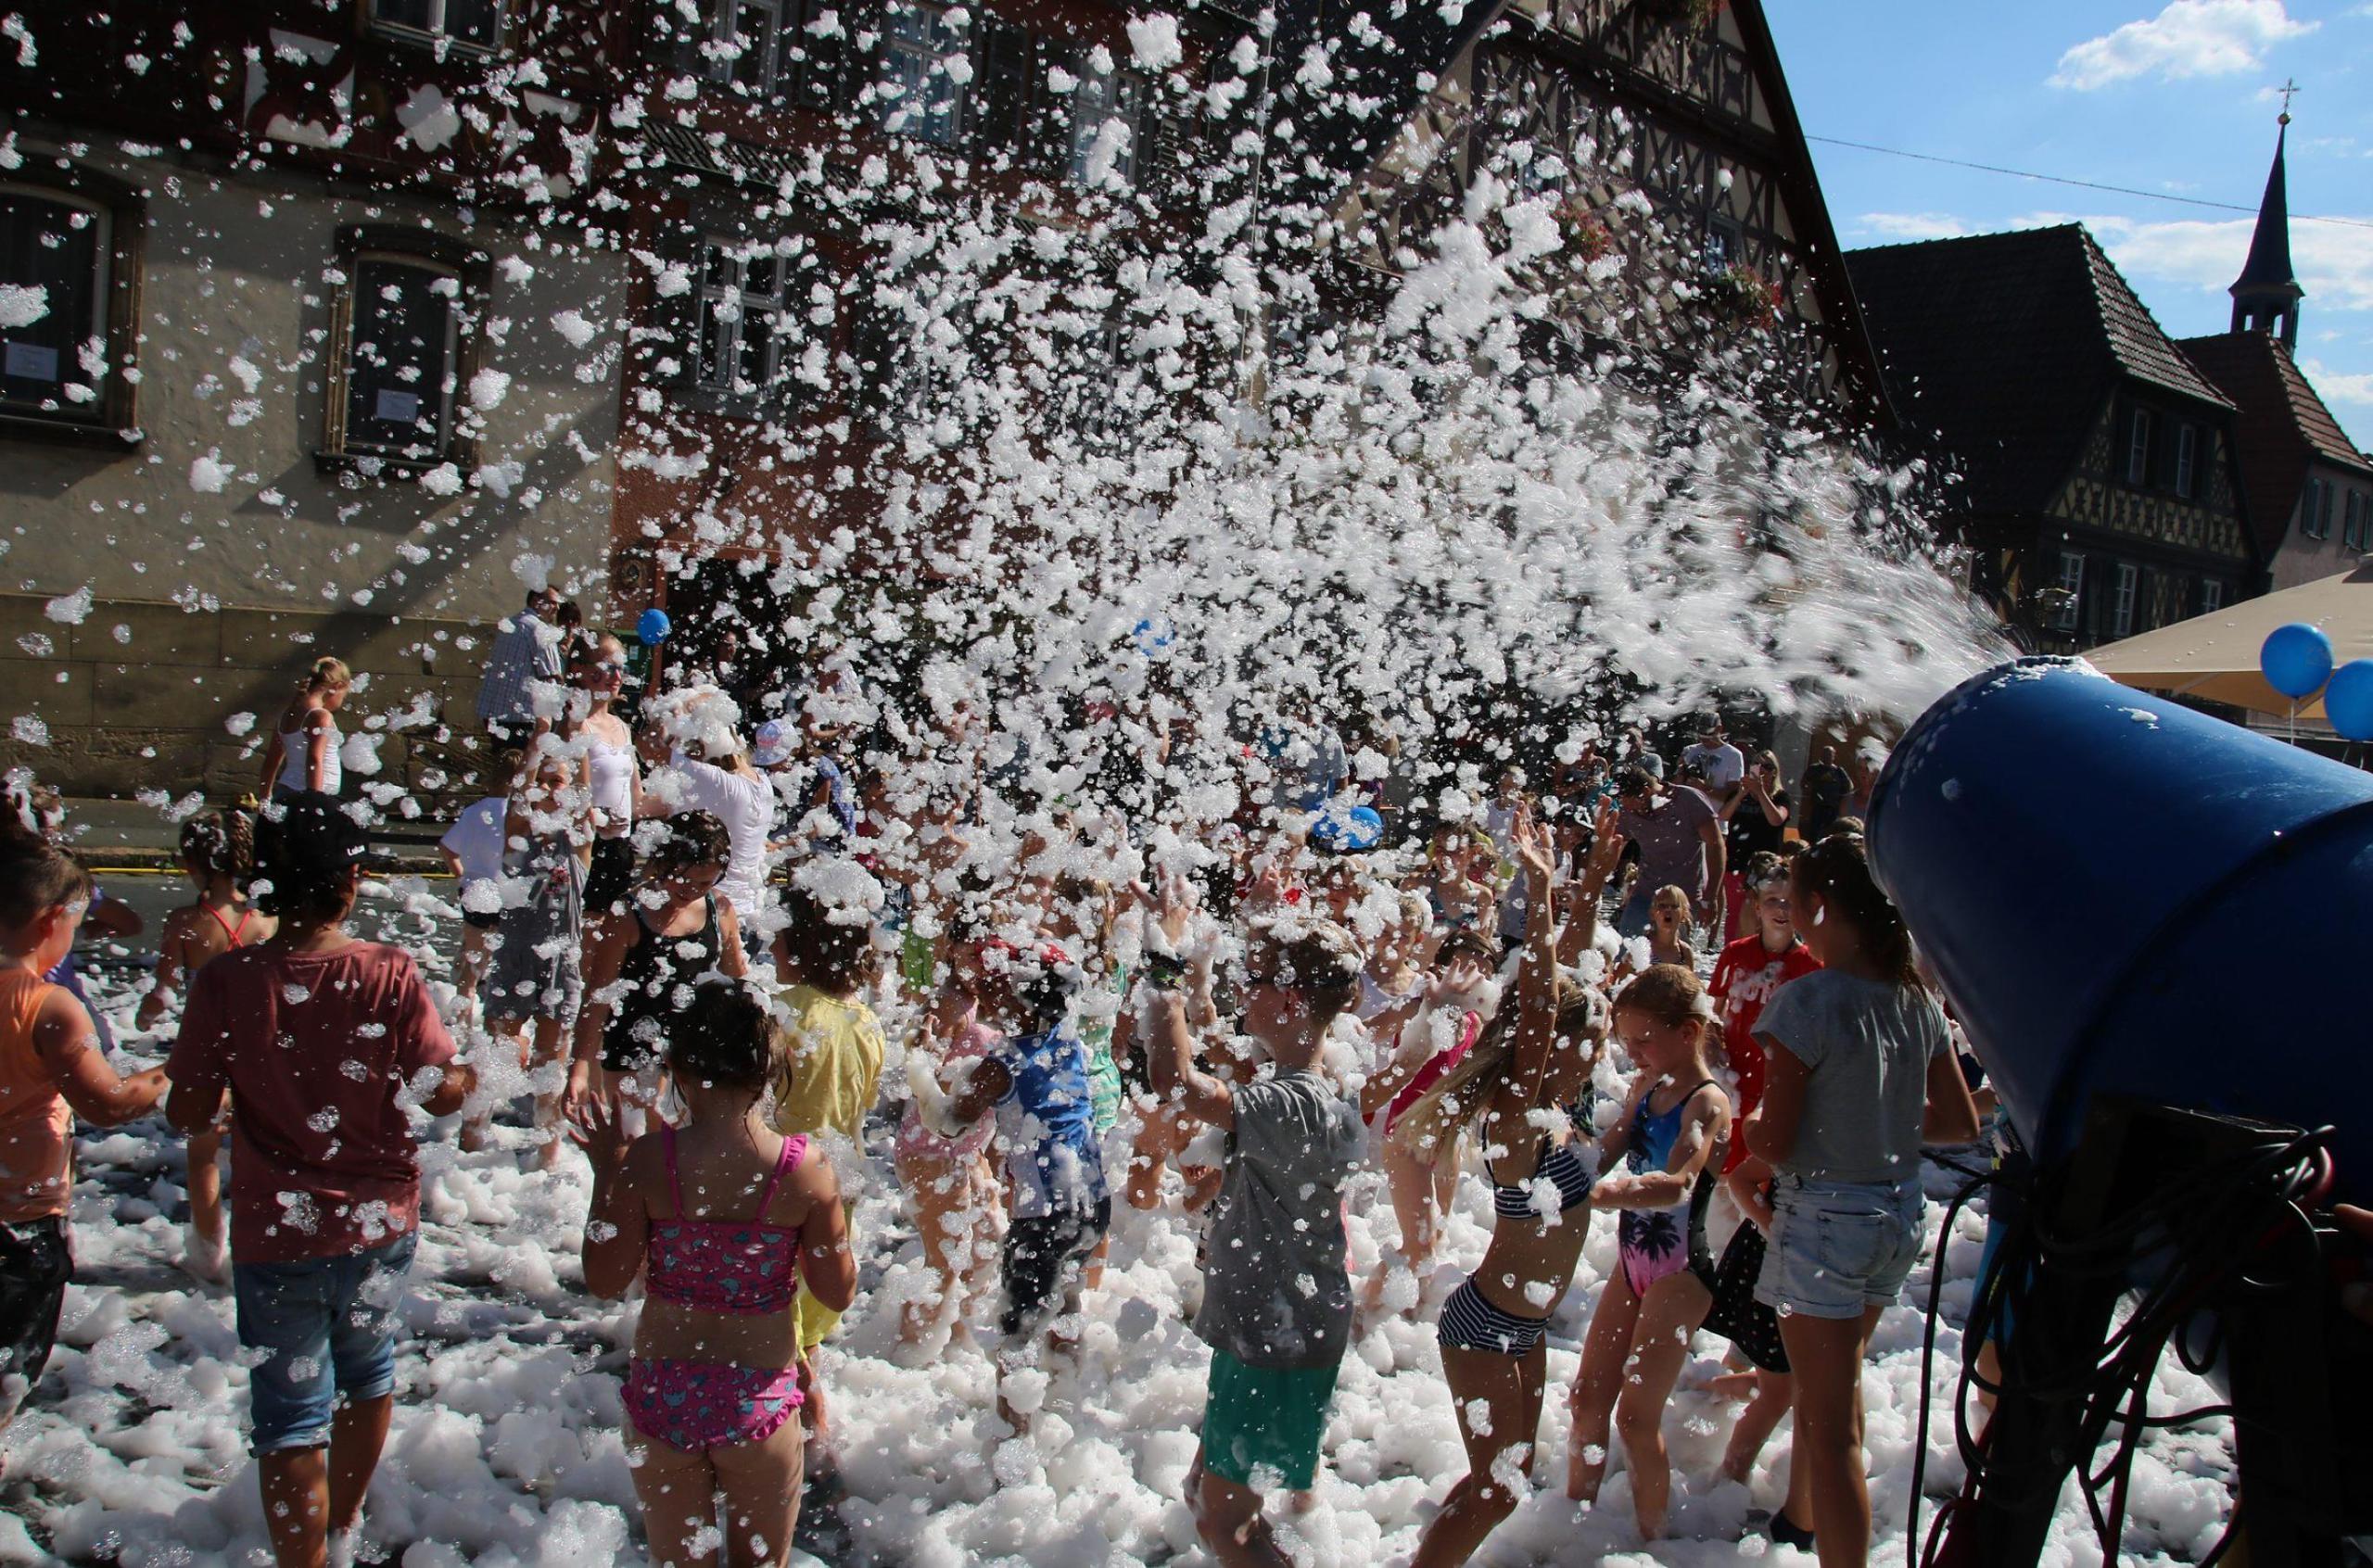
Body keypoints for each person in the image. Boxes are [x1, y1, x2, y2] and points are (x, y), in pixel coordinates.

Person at [165, 794, 476, 1568]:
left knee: (288, 1412)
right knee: (367, 1374)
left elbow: (189, 1111)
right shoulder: (388, 972)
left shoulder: (227, 982)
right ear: (353, 882)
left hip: (277, 1231)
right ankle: (342, 1524)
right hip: (377, 1224)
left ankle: (303, 1558)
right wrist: (477, 1074)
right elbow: (438, 1090)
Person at [1742, 834, 1980, 1566]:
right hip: (1896, 1215)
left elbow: (1776, 1142)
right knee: (1836, 1402)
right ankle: (1805, 1527)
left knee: (1829, 1426)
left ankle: (1830, 1545)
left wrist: (1748, 1125)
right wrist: (1872, 1118)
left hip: (1824, 1223)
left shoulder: (1806, 1000)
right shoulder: (1914, 1001)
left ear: (1816, 907)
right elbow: (1960, 1123)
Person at [577, 979, 853, 1568]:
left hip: (662, 1399)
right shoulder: (803, 1170)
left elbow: (603, 1280)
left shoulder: (650, 1161)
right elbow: (839, 1292)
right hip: (760, 1397)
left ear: (675, 1065)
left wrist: (607, 1171)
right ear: (770, 1068)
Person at [1403, 815, 1614, 1568]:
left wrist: (1586, 881)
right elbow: (1541, 998)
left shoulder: (1565, 1111)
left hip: (1520, 1326)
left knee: (1507, 1482)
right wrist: (1537, 889)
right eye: (1593, 1039)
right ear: (1559, 1041)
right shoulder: (1521, 1114)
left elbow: (1574, 976)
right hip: (1484, 1323)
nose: (1603, 1051)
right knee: (1494, 1489)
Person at [1146, 920, 1365, 1568]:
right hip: (1275, 1323)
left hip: (1279, 1332)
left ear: (1293, 1002)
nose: (1246, 985)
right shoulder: (1311, 1092)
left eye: (1260, 978)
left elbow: (1174, 1080)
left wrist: (1165, 970)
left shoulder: (1290, 1103)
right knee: (1203, 1493)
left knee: (1223, 1520)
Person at [0, 827, 170, 1442]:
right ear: (50, 923)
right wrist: (174, 1070)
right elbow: (109, 1104)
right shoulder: (48, 1006)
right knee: (7, 1372)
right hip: (20, 1223)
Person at [1564, 965, 1732, 1540]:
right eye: (1626, 1040)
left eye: (1643, 1040)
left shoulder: (1707, 1102)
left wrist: (1603, 1194)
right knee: (1587, 1400)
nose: (1632, 1052)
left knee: (1636, 1419)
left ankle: (1651, 1543)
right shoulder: (1651, 1090)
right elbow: (1603, 1154)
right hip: (1634, 1267)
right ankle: (1572, 1526)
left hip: (1682, 1273)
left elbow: (1679, 1183)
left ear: (1688, 1033)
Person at [934, 939, 1109, 1432]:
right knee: (1068, 1293)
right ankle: (1067, 1393)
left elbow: (954, 1118)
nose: (989, 990)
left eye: (1000, 984)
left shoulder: (1005, 1060)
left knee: (1018, 1330)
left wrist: (936, 1087)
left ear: (1022, 1001)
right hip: (1093, 1201)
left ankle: (1014, 1443)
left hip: (1044, 1214)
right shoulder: (1071, 1047)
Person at [768, 880, 886, 1461]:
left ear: (798, 948)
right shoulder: (866, 1019)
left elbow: (759, 1101)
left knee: (774, 1293)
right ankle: (807, 1379)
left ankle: (805, 1407)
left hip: (786, 1173)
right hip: (845, 1172)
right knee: (814, 1290)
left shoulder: (784, 1014)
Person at [138, 807, 275, 1283]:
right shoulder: (266, 922)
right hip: (262, 1052)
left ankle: (208, 1254)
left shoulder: (184, 923)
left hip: (206, 1053)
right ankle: (260, 1248)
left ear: (191, 864)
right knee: (259, 1150)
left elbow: (164, 991)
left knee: (203, 1155)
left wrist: (146, 1013)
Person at [566, 813, 747, 1134]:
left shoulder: (719, 909)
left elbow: (739, 984)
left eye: (705, 882)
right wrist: (579, 1067)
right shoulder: (628, 913)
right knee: (635, 1146)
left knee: (687, 1152)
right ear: (662, 862)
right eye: (683, 878)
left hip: (693, 1046)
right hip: (631, 1045)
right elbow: (598, 995)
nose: (692, 890)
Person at [476, 742, 585, 1170]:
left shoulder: (576, 840)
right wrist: (538, 744)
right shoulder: (518, 835)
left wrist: (579, 754)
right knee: (495, 1052)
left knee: (550, 1064)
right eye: (541, 781)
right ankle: (473, 1147)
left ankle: (547, 1156)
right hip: (514, 954)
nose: (546, 789)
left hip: (560, 960)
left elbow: (582, 804)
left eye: (556, 782)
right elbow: (518, 802)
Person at [653, 723, 776, 960]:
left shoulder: (716, 780)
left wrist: (674, 719)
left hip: (715, 914)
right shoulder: (763, 782)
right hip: (749, 910)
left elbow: (651, 749)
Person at [438, 748, 520, 1013]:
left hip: (477, 894)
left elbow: (447, 848)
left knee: (472, 968)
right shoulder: (520, 815)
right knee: (509, 968)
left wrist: (463, 876)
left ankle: (462, 1028)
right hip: (510, 894)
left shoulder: (474, 811)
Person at [572, 635, 644, 927]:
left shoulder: (622, 727)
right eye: (606, 667)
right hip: (587, 847)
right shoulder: (574, 726)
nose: (616, 677)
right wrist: (596, 817)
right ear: (579, 669)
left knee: (612, 939)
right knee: (585, 933)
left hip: (621, 847)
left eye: (620, 668)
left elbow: (637, 798)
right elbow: (561, 791)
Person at [1613, 767, 1724, 941]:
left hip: (1682, 898)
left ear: (1646, 791)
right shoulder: (1628, 809)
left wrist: (1710, 897)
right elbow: (1613, 846)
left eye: (1635, 806)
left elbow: (1716, 846)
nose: (1632, 812)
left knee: (1673, 960)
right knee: (1626, 956)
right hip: (1645, 895)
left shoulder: (1688, 800)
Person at [476, 587, 565, 746]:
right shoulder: (540, 630)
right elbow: (552, 679)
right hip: (525, 721)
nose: (557, 608)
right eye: (552, 603)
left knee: (506, 767)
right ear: (536, 601)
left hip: (497, 718)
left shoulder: (509, 624)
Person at [1719, 753, 1793, 942]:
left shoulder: (1781, 797)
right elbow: (1723, 816)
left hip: (1766, 867)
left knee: (1762, 912)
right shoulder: (1738, 793)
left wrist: (1761, 793)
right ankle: (1732, 951)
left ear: (1774, 772)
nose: (1761, 769)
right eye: (1756, 764)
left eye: (1766, 767)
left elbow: (1776, 819)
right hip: (1737, 862)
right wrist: (1742, 793)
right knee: (1735, 913)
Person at [260, 657, 351, 801]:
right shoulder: (321, 716)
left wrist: (265, 799)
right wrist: (315, 802)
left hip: (284, 793)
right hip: (312, 795)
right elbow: (314, 760)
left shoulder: (288, 713)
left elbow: (271, 762)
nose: (342, 701)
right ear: (337, 686)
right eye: (344, 695)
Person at [1679, 718, 1746, 806]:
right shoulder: (1690, 750)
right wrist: (1681, 772)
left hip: (1715, 813)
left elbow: (1733, 794)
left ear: (1719, 729)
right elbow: (1677, 784)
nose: (1704, 738)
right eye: (1701, 734)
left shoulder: (1733, 754)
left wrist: (1705, 789)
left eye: (1708, 733)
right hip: (1687, 810)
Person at [1796, 744, 1851, 843]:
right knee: (1814, 833)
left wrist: (1840, 798)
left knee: (1830, 833)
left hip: (1832, 808)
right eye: (1826, 754)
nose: (1828, 757)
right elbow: (1803, 783)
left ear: (1834, 756)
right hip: (1818, 807)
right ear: (1822, 755)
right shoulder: (1814, 769)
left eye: (1830, 754)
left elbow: (1849, 786)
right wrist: (1809, 791)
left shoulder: (1839, 772)